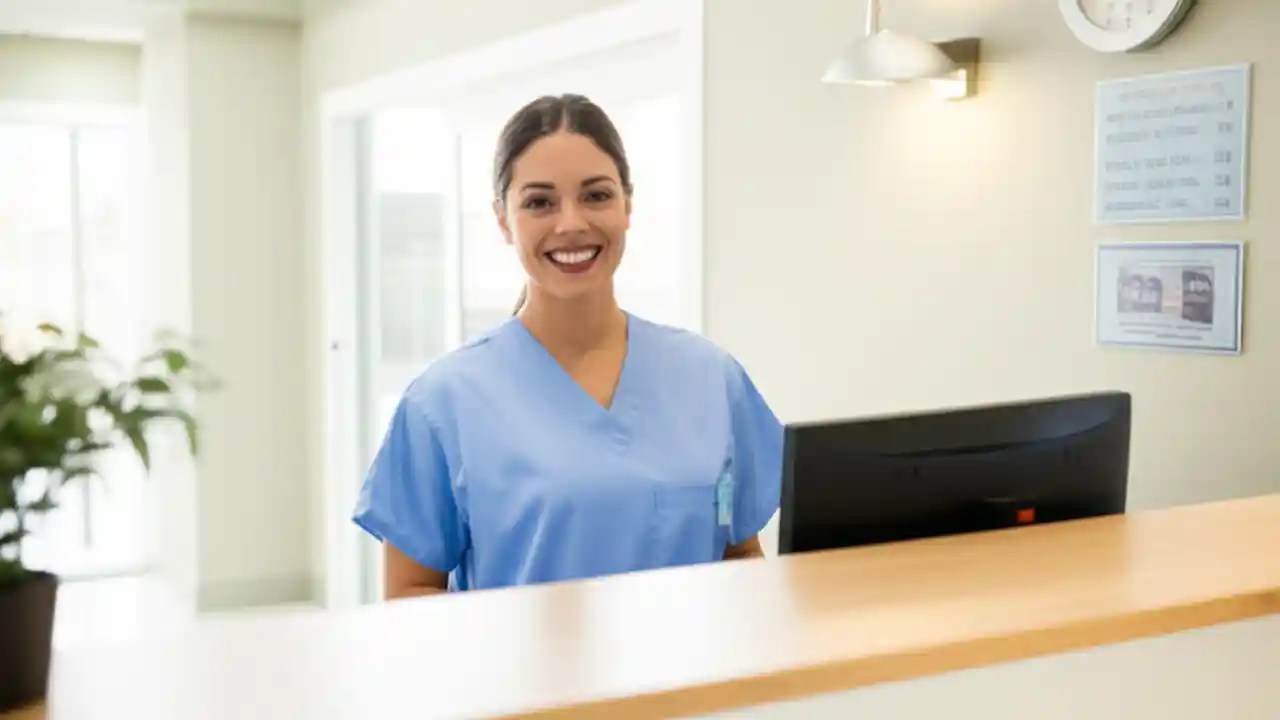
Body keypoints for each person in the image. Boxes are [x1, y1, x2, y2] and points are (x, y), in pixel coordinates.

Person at [352, 94, 783, 598]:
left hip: (696, 676)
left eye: (596, 195)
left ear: (628, 206)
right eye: (539, 202)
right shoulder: (443, 403)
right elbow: (409, 597)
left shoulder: (711, 378)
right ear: (502, 220)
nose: (571, 223)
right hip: (521, 678)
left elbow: (743, 561)